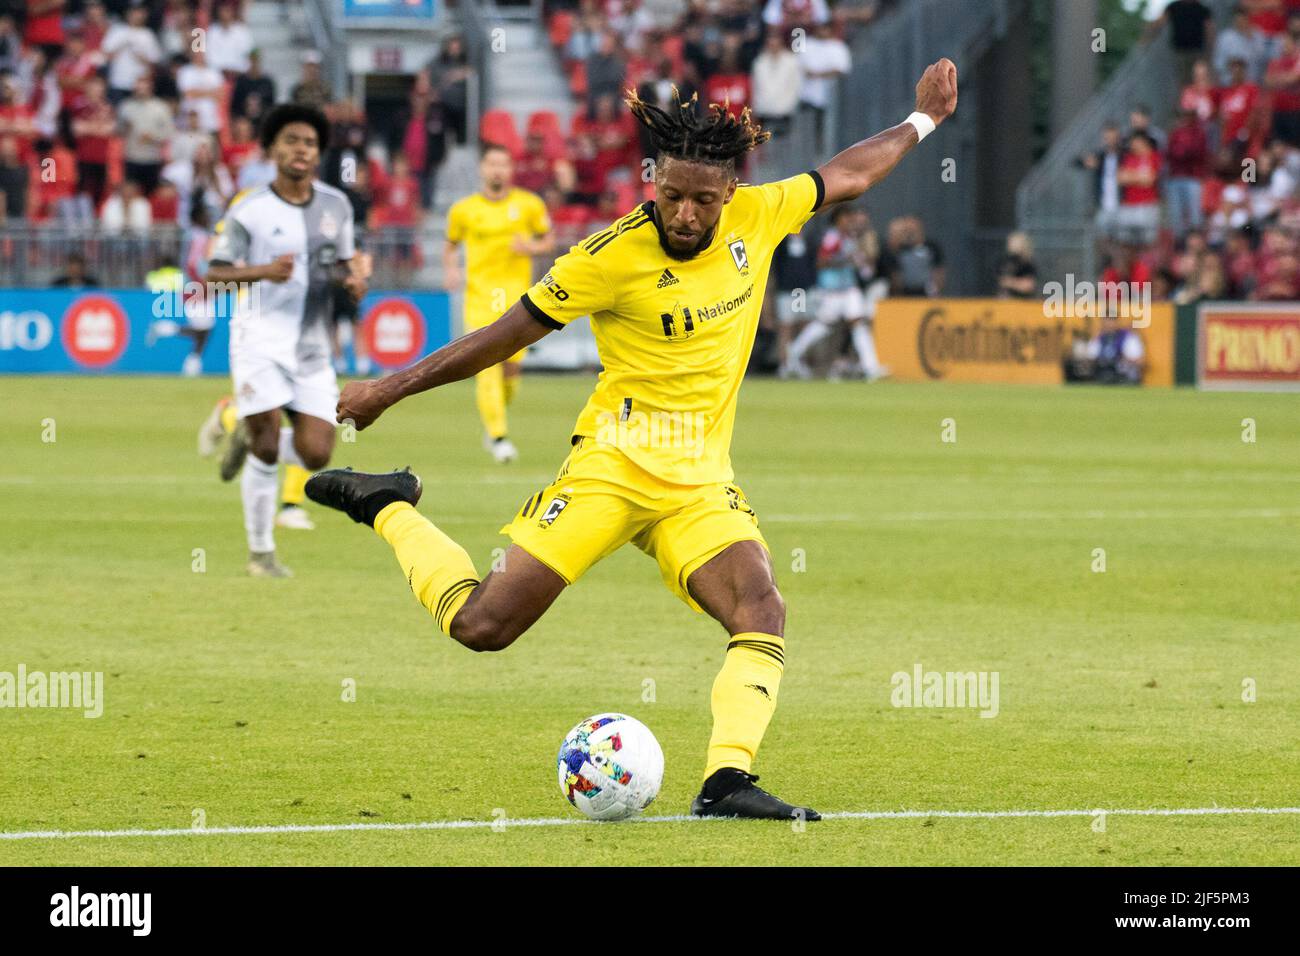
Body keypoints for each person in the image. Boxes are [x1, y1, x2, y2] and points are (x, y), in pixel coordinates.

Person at [304, 61, 959, 821]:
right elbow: (502, 335)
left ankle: (725, 783)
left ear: (729, 196)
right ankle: (389, 506)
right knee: (481, 627)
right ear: (654, 184)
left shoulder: (761, 214)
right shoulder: (606, 258)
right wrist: (387, 389)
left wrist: (923, 122)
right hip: (611, 468)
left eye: (702, 201)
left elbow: (846, 174)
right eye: (672, 196)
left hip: (699, 482)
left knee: (762, 607)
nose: (685, 214)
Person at [205, 104, 368, 577]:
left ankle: (236, 421)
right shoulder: (249, 208)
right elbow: (213, 274)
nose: (302, 150)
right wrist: (263, 271)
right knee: (269, 448)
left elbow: (340, 266)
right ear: (273, 149)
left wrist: (353, 280)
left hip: (312, 345)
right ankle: (261, 554)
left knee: (319, 453)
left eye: (310, 143)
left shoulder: (336, 206)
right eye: (292, 140)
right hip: (257, 339)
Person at [443, 145, 555, 464]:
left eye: (503, 164)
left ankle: (494, 421)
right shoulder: (464, 210)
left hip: (518, 302)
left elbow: (548, 239)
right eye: (492, 164)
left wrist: (531, 246)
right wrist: (452, 270)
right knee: (486, 367)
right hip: (479, 299)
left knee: (511, 374)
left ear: (511, 170)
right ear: (482, 168)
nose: (497, 170)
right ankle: (498, 435)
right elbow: (449, 245)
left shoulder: (529, 204)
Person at [995, 230, 1038, 298]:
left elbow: (1029, 286)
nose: (1011, 244)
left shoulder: (1027, 264)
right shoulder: (1004, 262)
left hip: (1022, 303)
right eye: (1011, 242)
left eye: (1015, 242)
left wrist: (1010, 283)